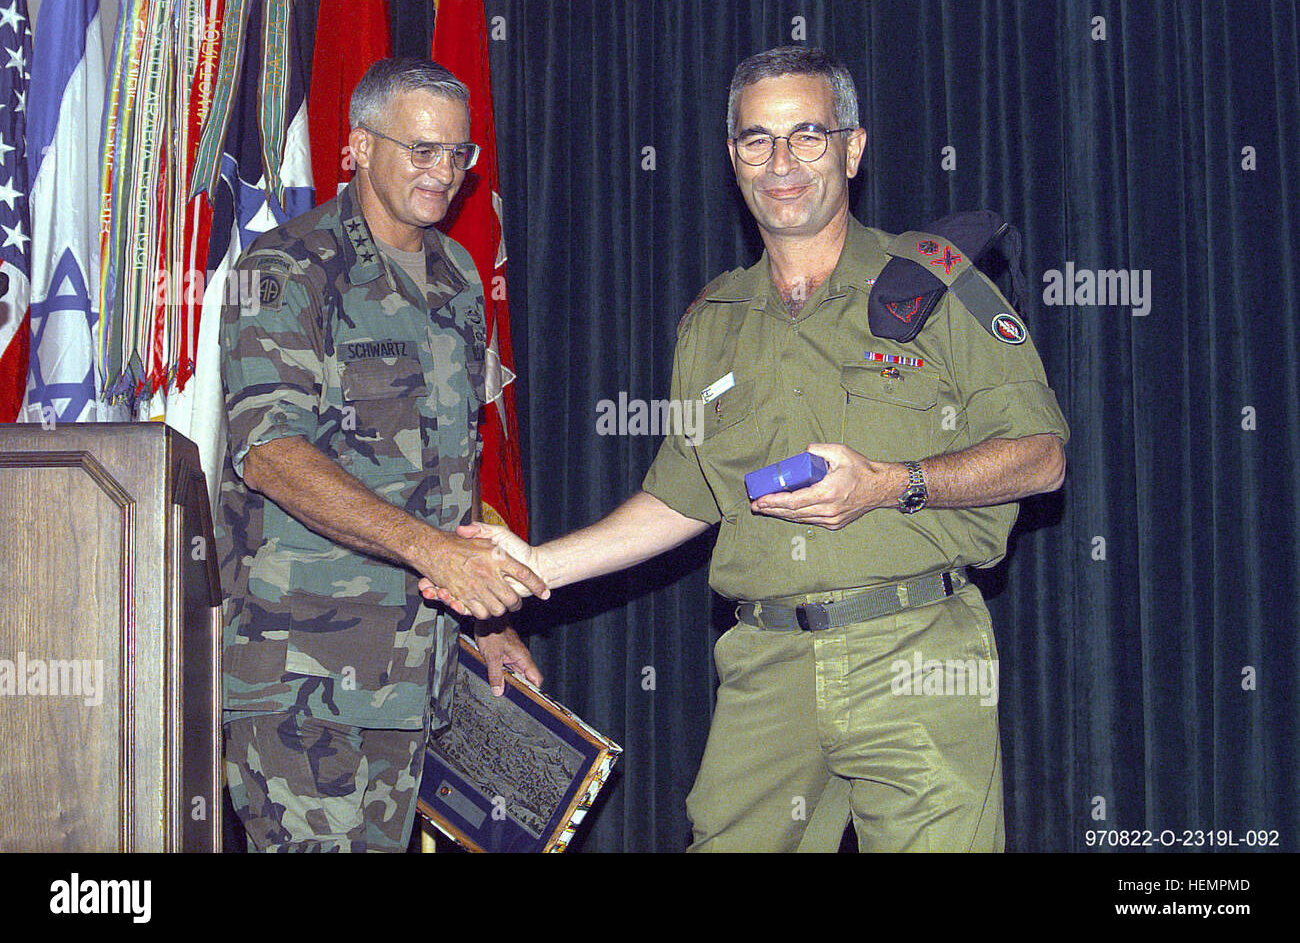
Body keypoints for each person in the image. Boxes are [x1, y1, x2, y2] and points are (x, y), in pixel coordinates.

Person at [426, 46, 1069, 852]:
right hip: (766, 667)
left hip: (913, 652)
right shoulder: (712, 322)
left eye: (807, 135)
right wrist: (535, 565)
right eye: (757, 141)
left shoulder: (934, 283)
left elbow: (1042, 455)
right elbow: (682, 495)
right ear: (733, 158)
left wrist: (889, 483)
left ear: (852, 147)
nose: (782, 163)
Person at [216, 57, 549, 852]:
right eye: (421, 149)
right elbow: (269, 453)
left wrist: (488, 619)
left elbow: (452, 468)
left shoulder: (459, 277)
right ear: (359, 146)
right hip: (304, 678)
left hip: (412, 680)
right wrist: (434, 550)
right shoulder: (282, 268)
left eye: (459, 155)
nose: (445, 173)